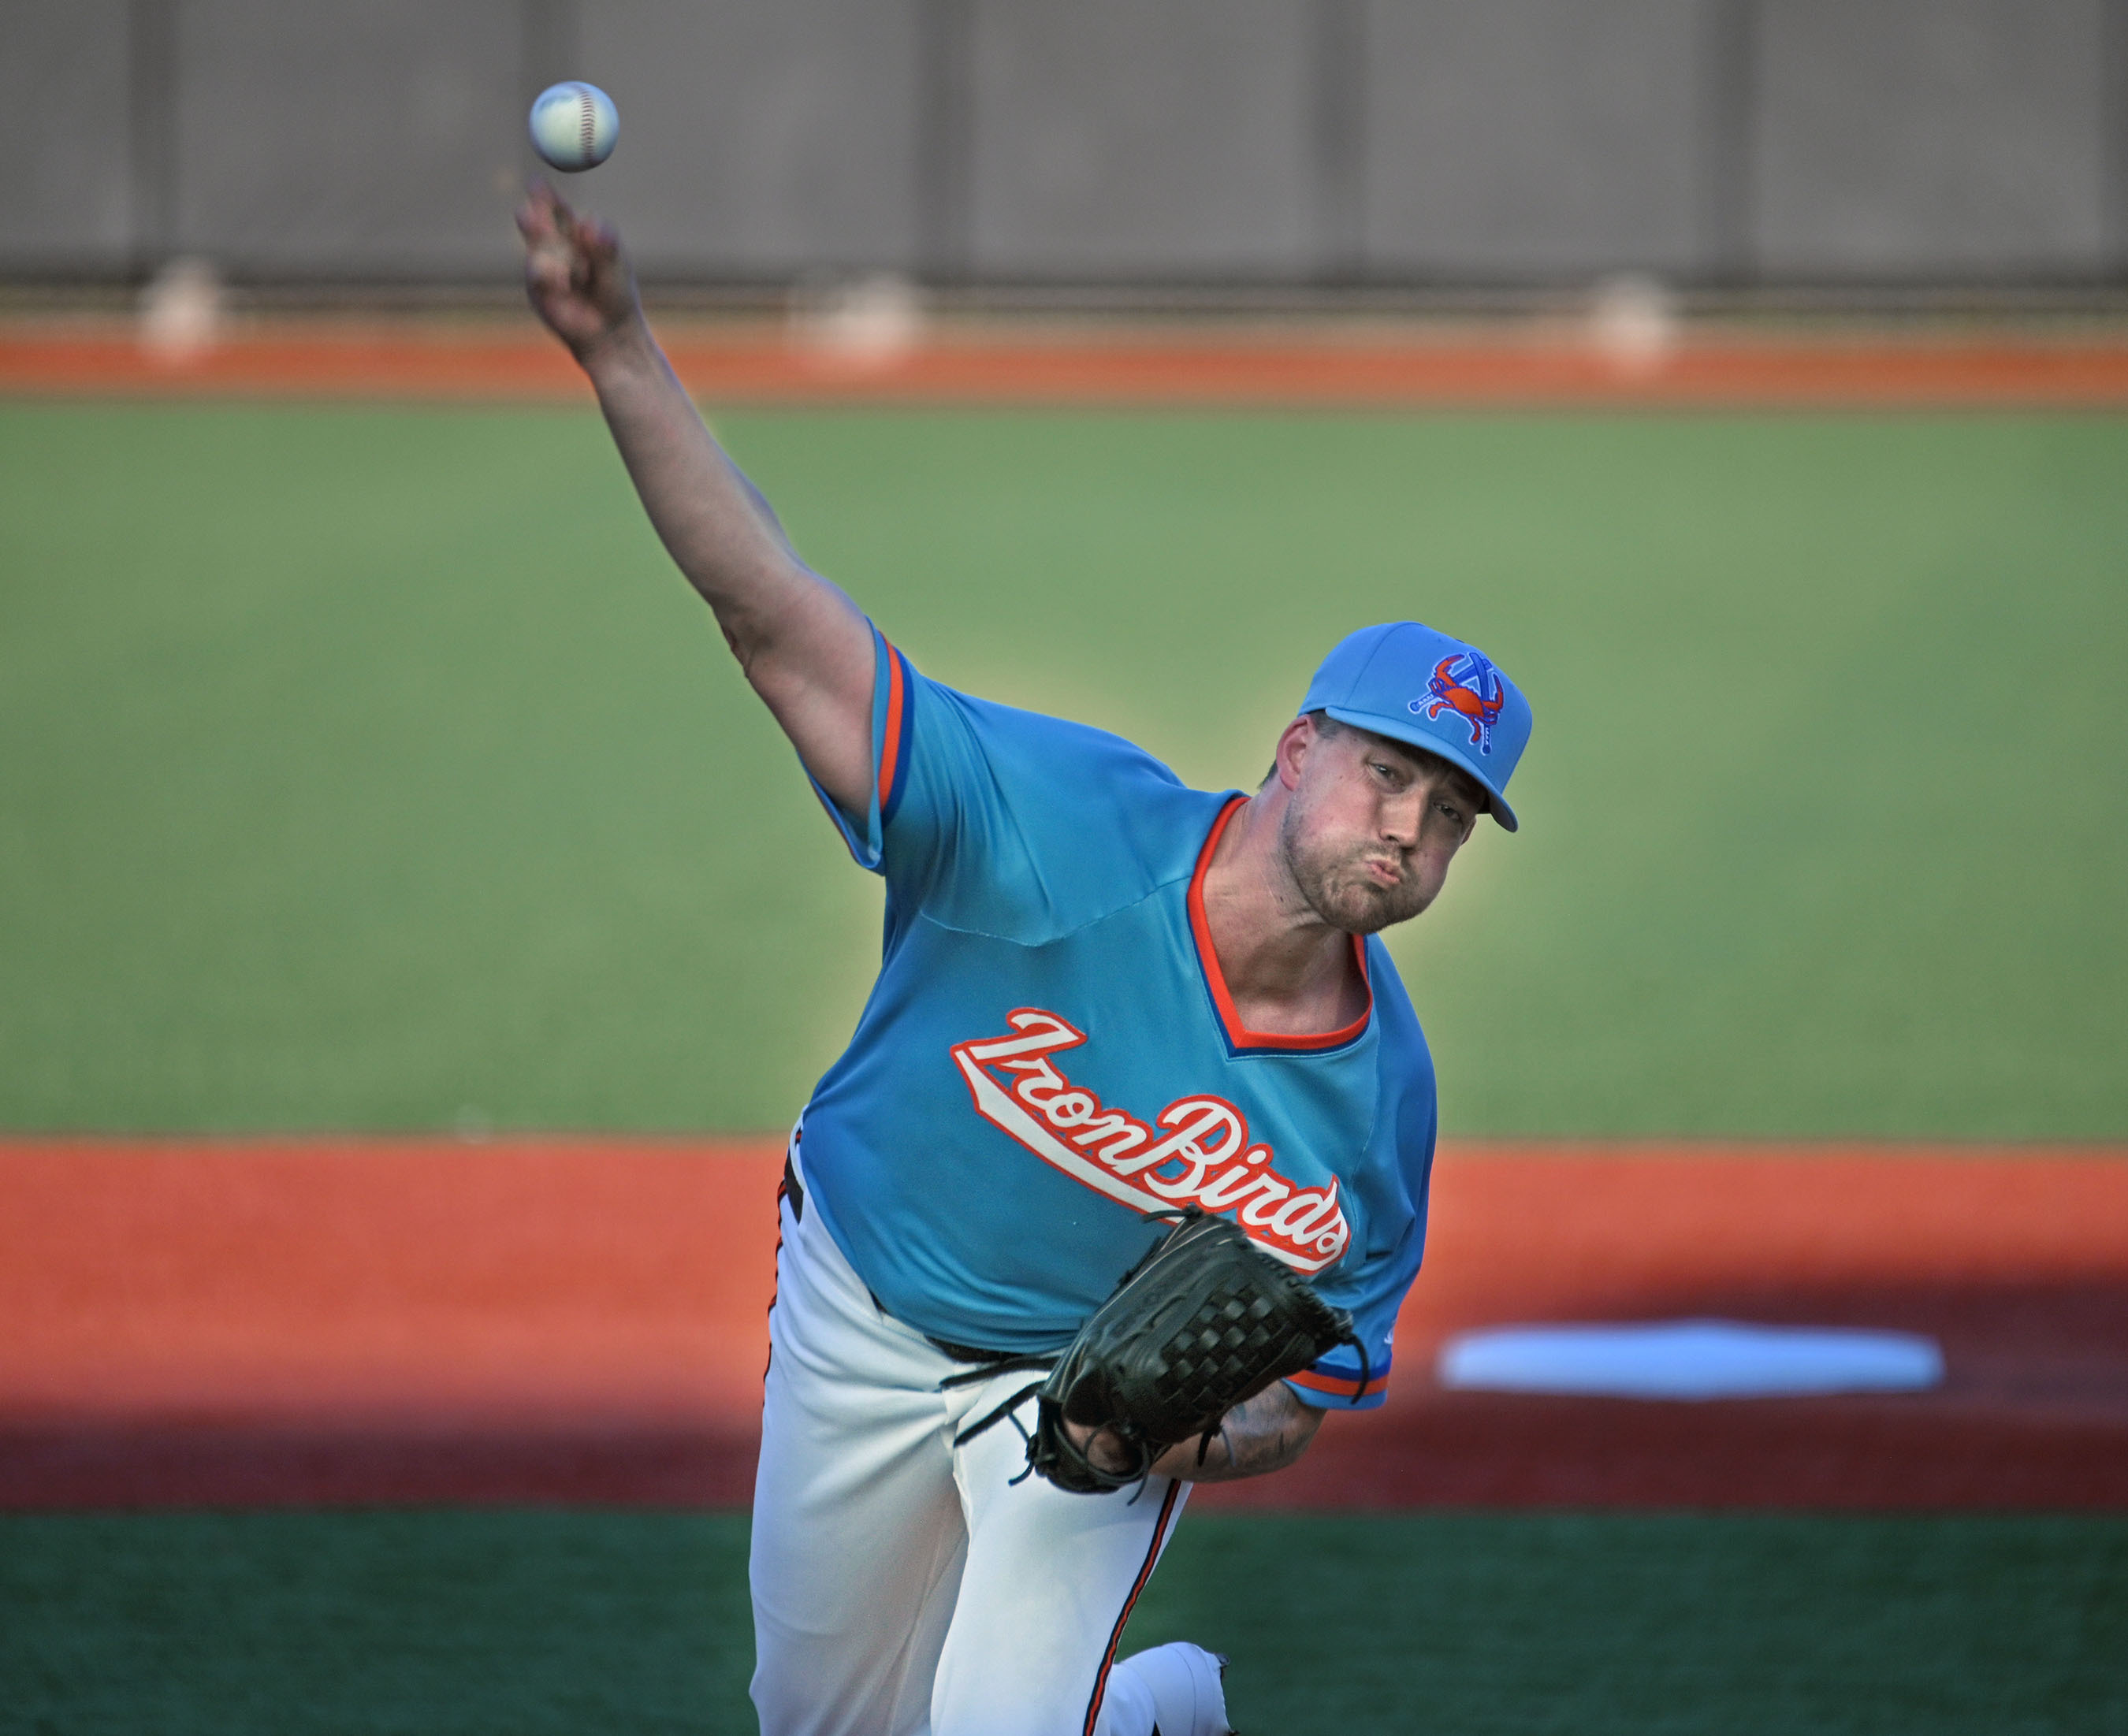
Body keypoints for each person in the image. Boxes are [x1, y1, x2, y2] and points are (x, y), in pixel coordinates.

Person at [518, 182, 1533, 1736]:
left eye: (1452, 813)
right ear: (1297, 749)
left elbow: (1306, 1397)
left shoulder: (1375, 1107)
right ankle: (1158, 1716)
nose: (1411, 827)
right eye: (1390, 773)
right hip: (865, 1296)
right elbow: (775, 619)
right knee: (821, 1724)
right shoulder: (1047, 830)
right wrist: (620, 349)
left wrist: (1155, 1439)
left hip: (1072, 1423)